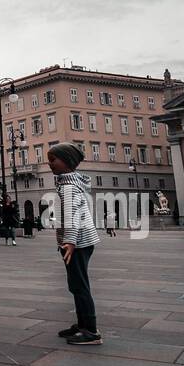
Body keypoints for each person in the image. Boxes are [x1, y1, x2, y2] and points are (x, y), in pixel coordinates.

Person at [48, 142, 104, 345]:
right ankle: (82, 324)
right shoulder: (70, 183)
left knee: (79, 286)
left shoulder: (69, 186)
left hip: (77, 244)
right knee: (77, 285)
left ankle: (90, 330)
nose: (50, 164)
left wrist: (69, 242)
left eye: (54, 159)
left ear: (67, 161)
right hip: (81, 242)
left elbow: (73, 216)